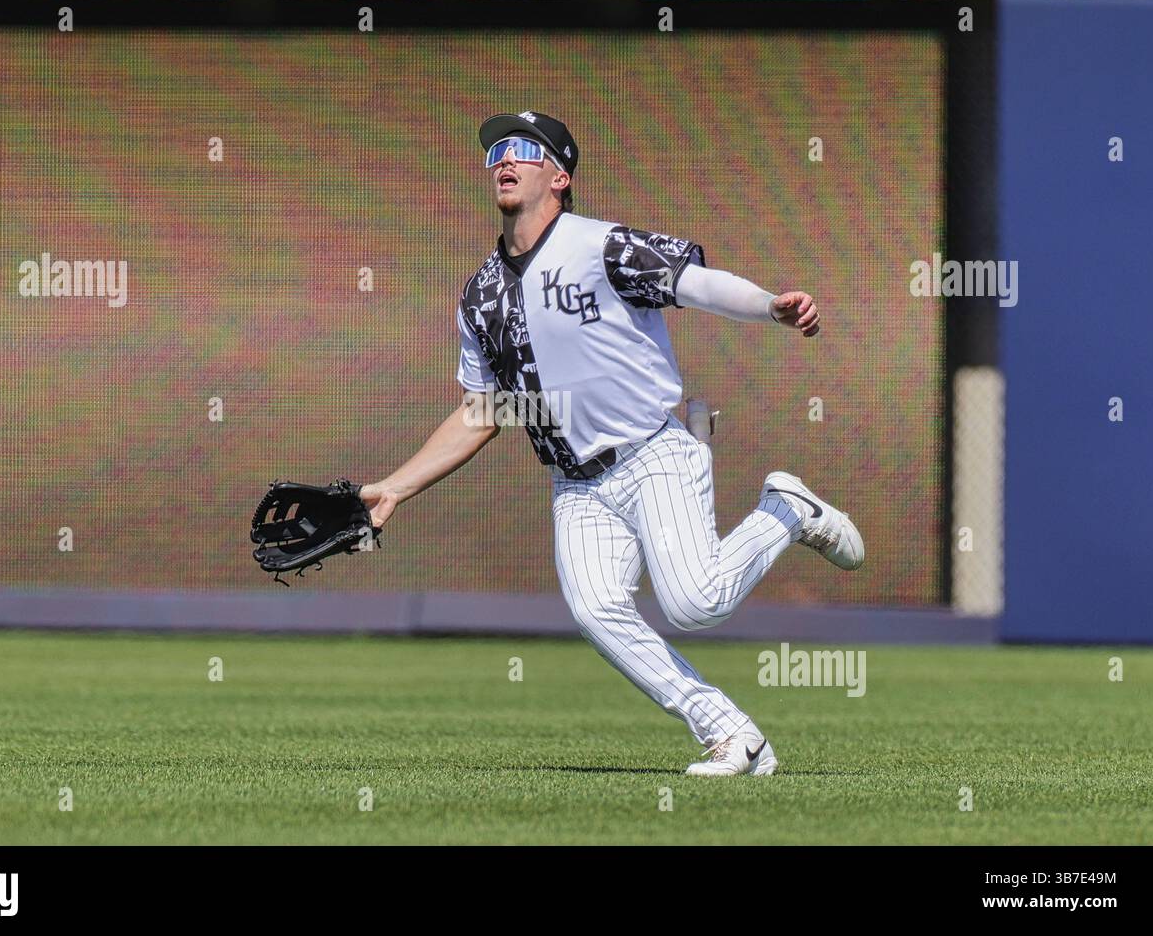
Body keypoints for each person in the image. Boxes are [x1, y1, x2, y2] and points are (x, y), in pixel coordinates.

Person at [359, 111, 863, 776]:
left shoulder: (601, 247)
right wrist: (394, 485)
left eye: (522, 150)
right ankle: (732, 734)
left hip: (651, 452)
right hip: (577, 484)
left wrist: (770, 304)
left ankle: (787, 510)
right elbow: (482, 410)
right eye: (495, 153)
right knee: (596, 608)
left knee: (695, 602)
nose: (504, 160)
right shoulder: (480, 296)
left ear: (560, 176)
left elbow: (696, 283)